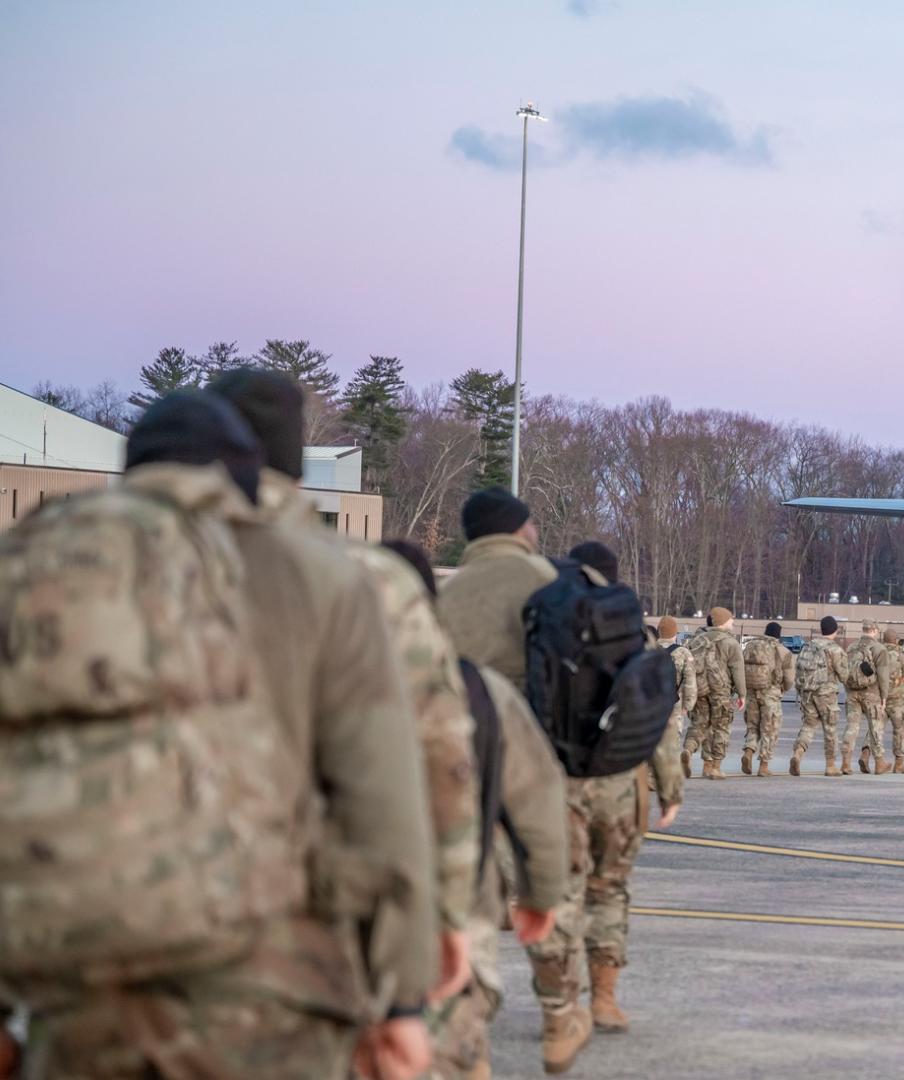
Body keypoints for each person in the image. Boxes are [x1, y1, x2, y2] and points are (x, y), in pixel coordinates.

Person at [3, 392, 438, 1079]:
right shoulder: (324, 576)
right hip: (272, 982)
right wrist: (403, 1000)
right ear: (244, 477)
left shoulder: (35, 569)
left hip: (77, 984)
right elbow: (382, 800)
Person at [209, 370, 479, 1011]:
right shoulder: (371, 581)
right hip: (305, 924)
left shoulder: (110, 566)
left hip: (126, 921)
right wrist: (441, 914)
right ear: (297, 458)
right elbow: (438, 755)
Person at [379, 540, 571, 1080]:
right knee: (456, 1045)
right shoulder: (479, 688)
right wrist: (542, 892)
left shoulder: (316, 678)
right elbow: (537, 795)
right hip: (457, 910)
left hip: (336, 924)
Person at [522, 548, 685, 1070]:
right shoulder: (629, 628)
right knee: (609, 888)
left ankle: (560, 1009)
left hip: (556, 780)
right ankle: (606, 999)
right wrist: (671, 787)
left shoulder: (542, 620)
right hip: (617, 780)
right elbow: (651, 714)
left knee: (558, 891)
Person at [439, 486, 556, 684]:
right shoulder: (548, 576)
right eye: (530, 521)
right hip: (530, 707)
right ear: (519, 529)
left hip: (461, 708)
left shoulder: (442, 591)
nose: (535, 529)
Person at [687, 608, 747, 780]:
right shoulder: (731, 643)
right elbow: (737, 669)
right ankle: (715, 767)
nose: (733, 622)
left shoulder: (697, 639)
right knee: (721, 728)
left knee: (699, 725)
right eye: (730, 619)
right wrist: (742, 694)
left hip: (700, 688)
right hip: (721, 690)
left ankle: (688, 751)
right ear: (723, 621)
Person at [792, 617, 851, 775]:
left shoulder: (809, 646)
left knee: (809, 725)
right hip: (826, 693)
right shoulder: (835, 650)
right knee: (830, 728)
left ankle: (798, 753)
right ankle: (830, 765)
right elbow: (845, 676)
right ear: (835, 630)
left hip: (807, 693)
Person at [742, 622, 796, 776]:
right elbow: (789, 679)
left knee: (752, 726)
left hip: (752, 691)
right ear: (778, 635)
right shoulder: (783, 651)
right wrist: (782, 689)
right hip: (771, 694)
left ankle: (748, 751)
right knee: (770, 729)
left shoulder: (751, 646)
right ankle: (764, 766)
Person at [844, 621, 893, 774]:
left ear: (863, 630)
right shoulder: (879, 648)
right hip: (871, 694)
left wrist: (849, 690)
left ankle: (845, 763)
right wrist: (884, 696)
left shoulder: (851, 647)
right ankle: (879, 763)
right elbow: (884, 675)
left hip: (852, 693)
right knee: (876, 727)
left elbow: (845, 671)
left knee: (852, 727)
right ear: (874, 630)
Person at [655, 615, 700, 775]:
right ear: (675, 633)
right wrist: (688, 705)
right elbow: (690, 682)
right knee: (672, 736)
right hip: (674, 701)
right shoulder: (683, 653)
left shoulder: (647, 649)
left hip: (649, 701)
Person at [881, 630, 904, 773]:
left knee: (876, 730)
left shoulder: (878, 654)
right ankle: (899, 763)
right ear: (895, 641)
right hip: (897, 700)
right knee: (900, 731)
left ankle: (868, 755)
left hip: (880, 699)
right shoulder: (901, 656)